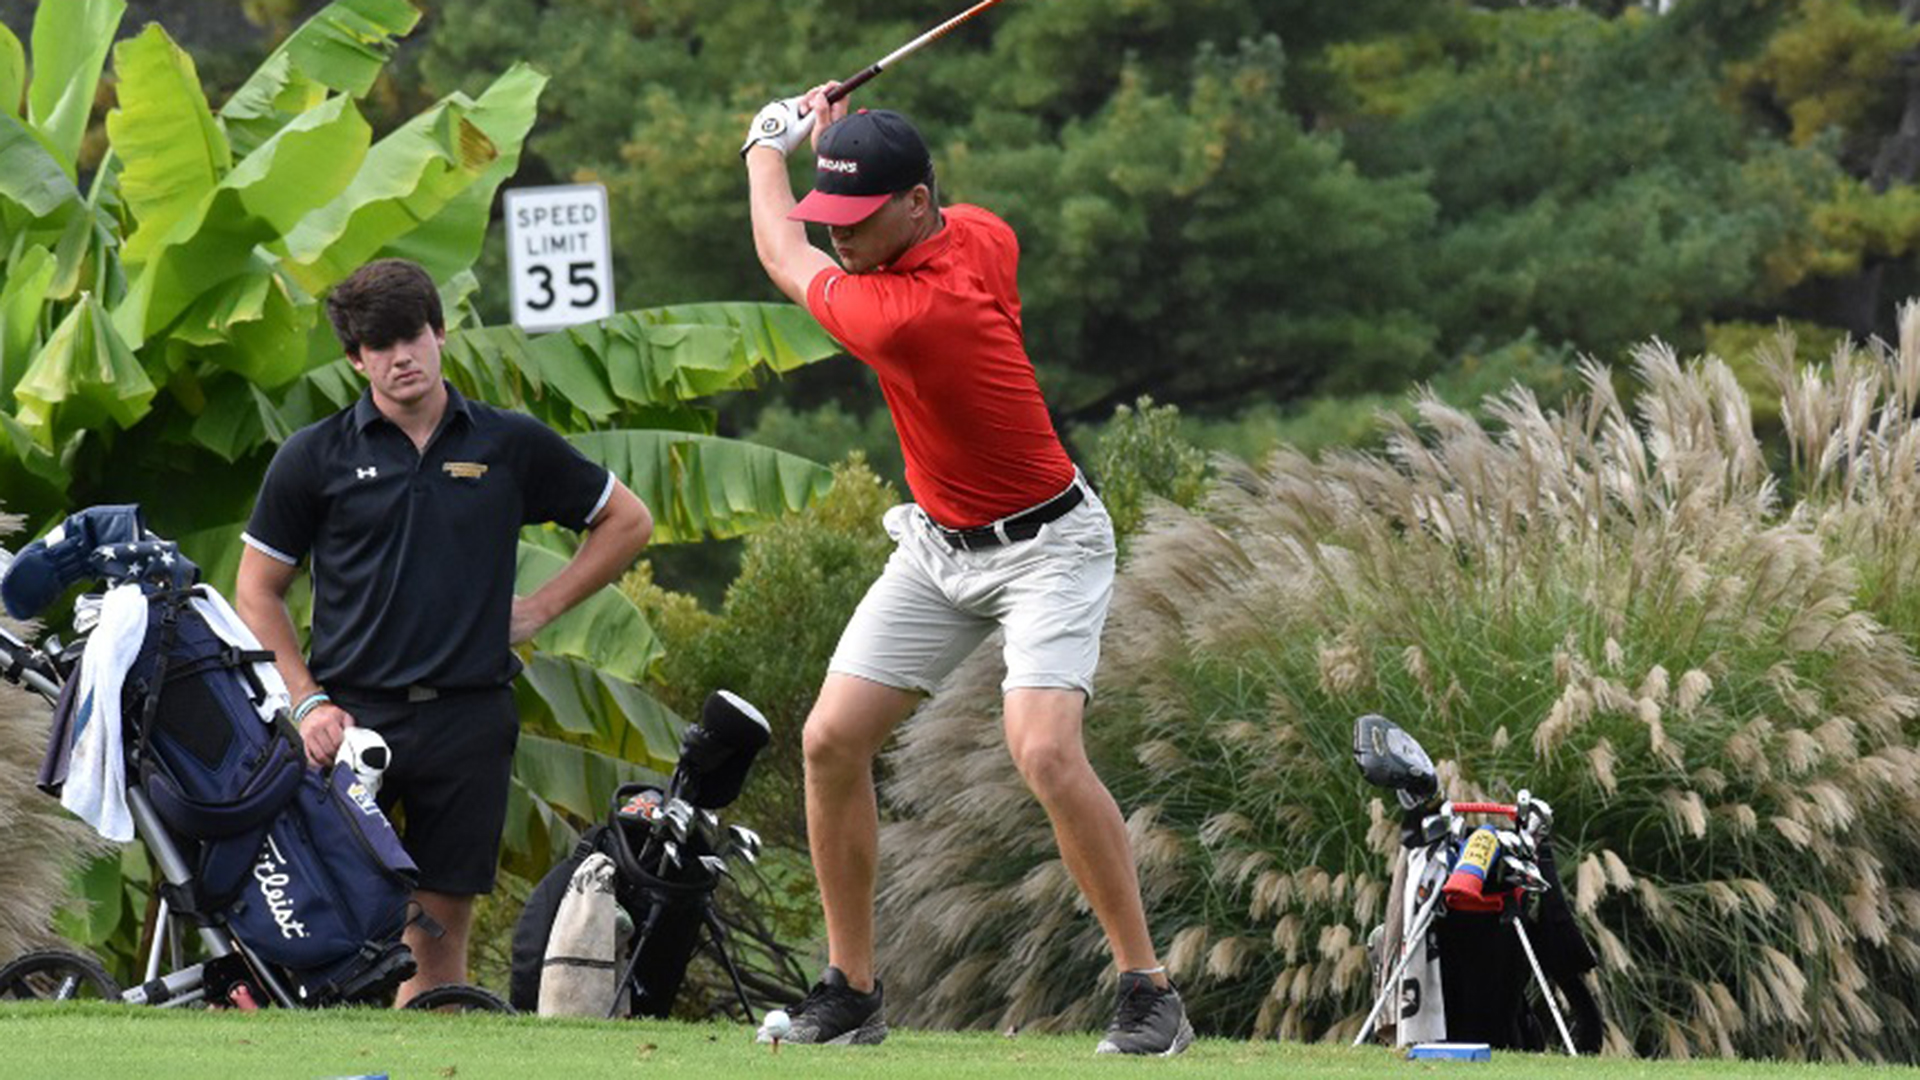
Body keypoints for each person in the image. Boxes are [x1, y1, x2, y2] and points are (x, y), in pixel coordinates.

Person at [741, 88, 1193, 1055]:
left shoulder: (907, 316)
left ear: (914, 206)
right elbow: (844, 221)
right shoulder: (983, 230)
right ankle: (850, 992)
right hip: (941, 543)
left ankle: (1149, 993)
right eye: (838, 221)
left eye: (859, 222)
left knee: (1043, 750)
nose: (843, 240)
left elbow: (783, 255)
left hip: (1050, 548)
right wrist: (840, 150)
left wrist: (761, 147)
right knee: (830, 740)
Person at [233, 257, 652, 1006]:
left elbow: (627, 520)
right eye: (380, 345)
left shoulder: (507, 443)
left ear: (440, 332)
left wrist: (542, 607)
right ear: (355, 357)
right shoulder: (315, 457)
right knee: (318, 917)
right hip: (350, 719)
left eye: (413, 336)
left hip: (468, 714)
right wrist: (306, 702)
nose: (401, 357)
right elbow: (257, 592)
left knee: (437, 937)